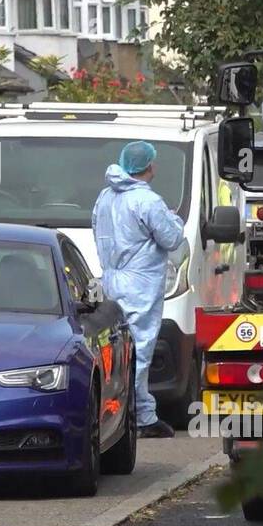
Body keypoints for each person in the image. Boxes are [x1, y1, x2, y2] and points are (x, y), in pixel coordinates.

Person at [91, 141, 185, 438]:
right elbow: (171, 239)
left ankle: (144, 414)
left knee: (119, 348)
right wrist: (175, 220)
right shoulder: (148, 201)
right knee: (138, 352)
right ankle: (125, 421)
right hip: (140, 284)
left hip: (112, 279)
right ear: (150, 165)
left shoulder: (105, 197)